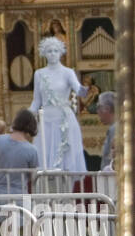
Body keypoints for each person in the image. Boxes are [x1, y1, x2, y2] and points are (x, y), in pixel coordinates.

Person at [28, 36, 89, 172]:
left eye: (56, 50)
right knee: (45, 156)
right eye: (49, 51)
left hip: (63, 120)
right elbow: (37, 100)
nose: (53, 54)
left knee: (64, 156)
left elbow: (78, 88)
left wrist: (84, 91)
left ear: (60, 53)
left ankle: (67, 189)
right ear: (44, 53)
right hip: (46, 121)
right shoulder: (39, 74)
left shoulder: (68, 72)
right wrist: (28, 114)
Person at [96, 91, 135, 172]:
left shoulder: (117, 128)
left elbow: (112, 158)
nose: (97, 112)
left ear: (107, 109)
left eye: (98, 108)